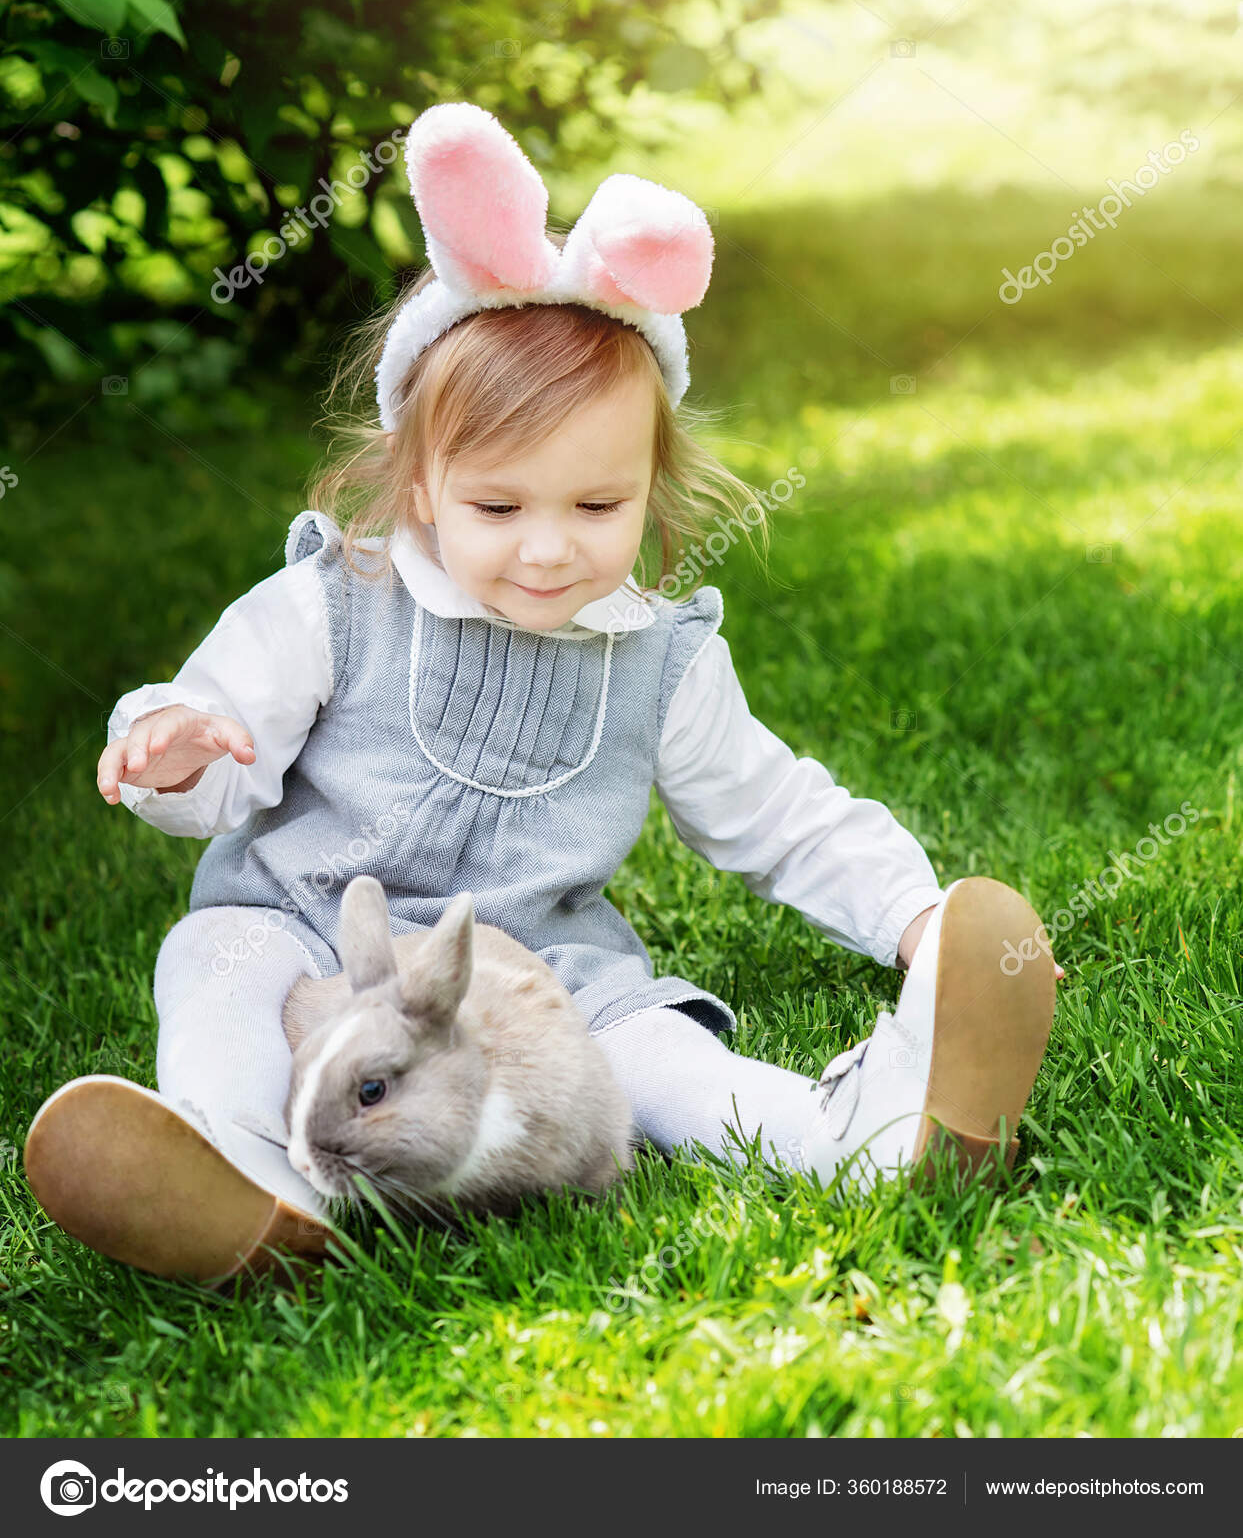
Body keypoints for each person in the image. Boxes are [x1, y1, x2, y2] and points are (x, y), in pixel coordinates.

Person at [25, 103, 1059, 1286]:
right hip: (313, 936)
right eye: (500, 508)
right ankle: (244, 1170)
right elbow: (224, 729)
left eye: (597, 506)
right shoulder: (335, 602)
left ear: (650, 488)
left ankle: (871, 1131)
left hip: (541, 984)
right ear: (418, 487)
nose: (550, 550)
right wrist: (178, 749)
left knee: (668, 1067)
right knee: (215, 968)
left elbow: (780, 814)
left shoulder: (658, 660)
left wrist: (914, 915)